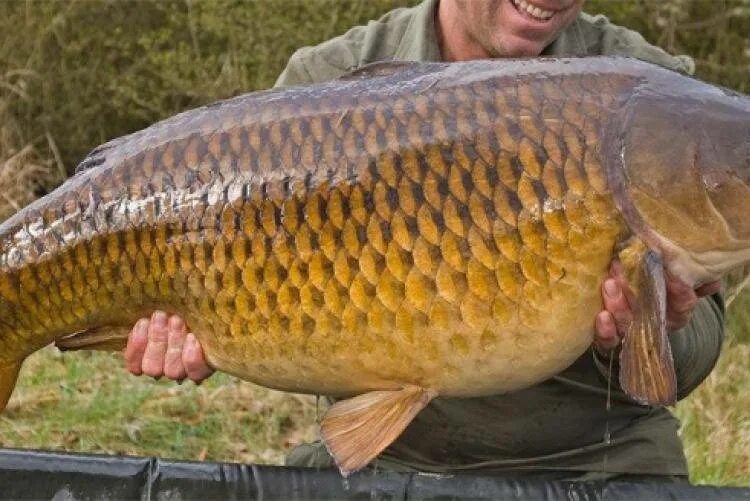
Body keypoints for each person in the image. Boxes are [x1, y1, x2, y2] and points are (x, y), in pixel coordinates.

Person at [123, 0, 724, 481]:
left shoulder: (650, 96)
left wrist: (657, 326)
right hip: (392, 459)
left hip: (598, 462)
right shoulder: (325, 81)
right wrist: (188, 328)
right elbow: (228, 272)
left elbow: (692, 359)